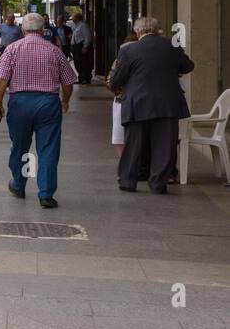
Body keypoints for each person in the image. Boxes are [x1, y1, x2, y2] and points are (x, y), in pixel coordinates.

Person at [0, 11, 77, 208]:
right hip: (48, 103)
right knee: (48, 148)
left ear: (22, 29)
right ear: (42, 30)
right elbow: (68, 82)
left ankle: (19, 184)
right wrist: (65, 101)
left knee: (21, 146)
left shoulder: (12, 49)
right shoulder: (54, 51)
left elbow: (2, 82)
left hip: (20, 102)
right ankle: (46, 194)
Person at [109, 16, 194, 194]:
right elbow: (188, 66)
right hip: (167, 104)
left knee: (133, 144)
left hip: (137, 103)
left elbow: (116, 80)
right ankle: (158, 183)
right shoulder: (173, 46)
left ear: (138, 32)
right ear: (157, 30)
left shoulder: (128, 50)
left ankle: (128, 181)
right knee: (164, 145)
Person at [106, 32, 140, 159]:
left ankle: (124, 164)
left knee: (119, 136)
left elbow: (111, 82)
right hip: (137, 101)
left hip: (122, 100)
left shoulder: (120, 59)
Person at [70, 12, 93, 84]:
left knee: (83, 63)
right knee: (77, 63)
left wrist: (85, 46)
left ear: (77, 18)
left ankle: (86, 78)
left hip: (81, 46)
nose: (72, 19)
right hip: (76, 47)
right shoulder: (76, 26)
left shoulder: (83, 25)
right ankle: (81, 78)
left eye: (73, 17)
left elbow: (87, 36)